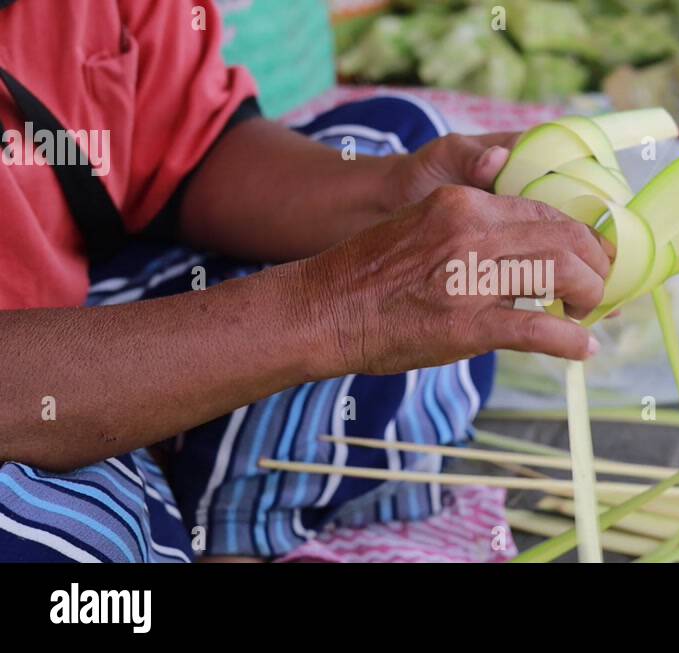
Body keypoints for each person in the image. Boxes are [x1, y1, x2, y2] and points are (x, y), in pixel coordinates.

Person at [0, 0, 612, 561]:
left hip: (79, 296)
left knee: (406, 140)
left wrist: (388, 193)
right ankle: (155, 478)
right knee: (63, 545)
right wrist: (336, 311)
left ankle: (171, 464)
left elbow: (187, 148)